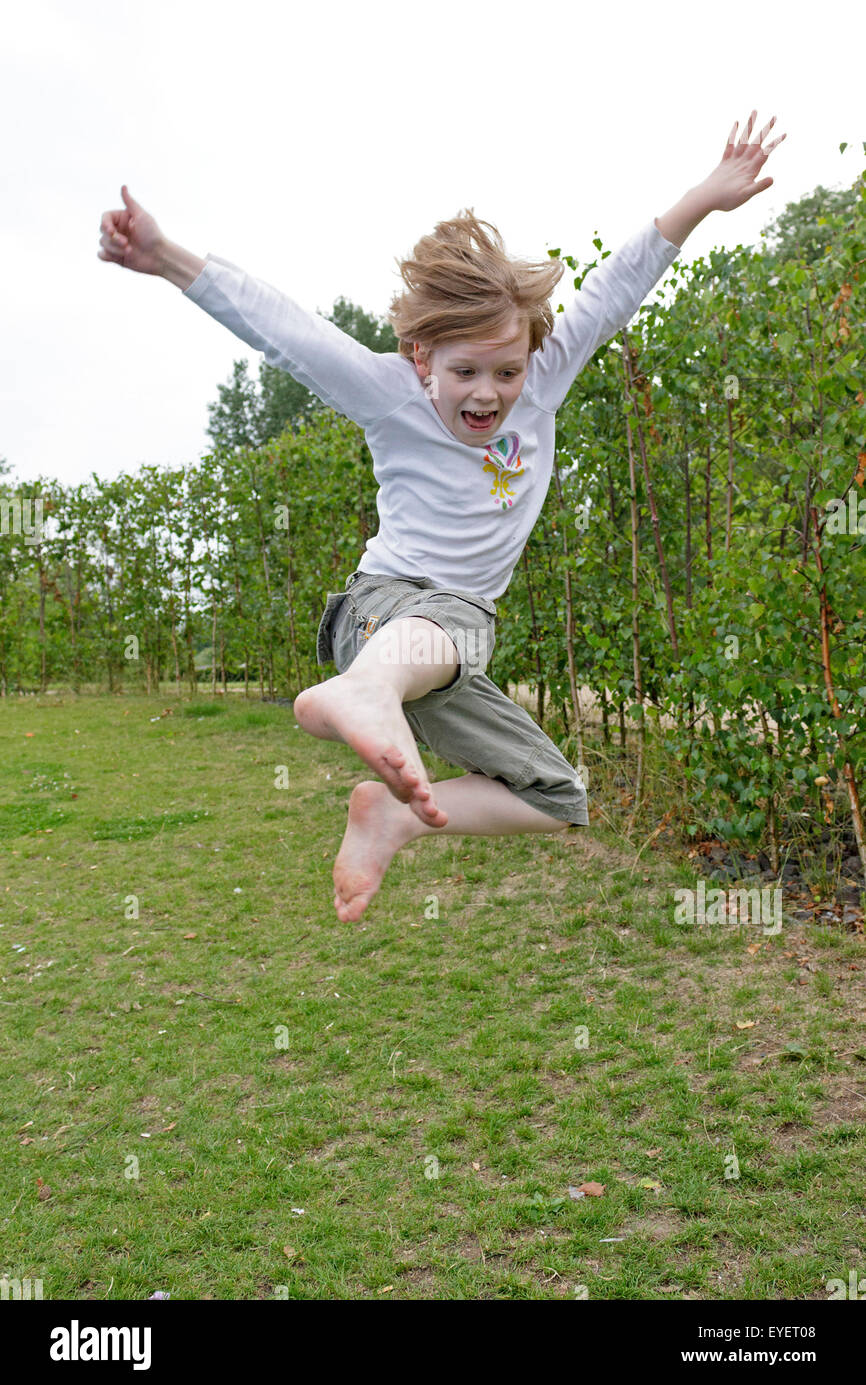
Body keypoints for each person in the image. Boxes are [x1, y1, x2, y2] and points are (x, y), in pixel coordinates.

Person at [98, 111, 785, 923]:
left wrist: (704, 197)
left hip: (452, 648)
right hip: (383, 610)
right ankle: (366, 689)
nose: (489, 393)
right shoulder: (390, 395)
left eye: (506, 369)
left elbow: (617, 286)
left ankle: (387, 814)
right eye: (465, 371)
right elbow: (286, 330)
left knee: (552, 794)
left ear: (533, 352)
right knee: (456, 620)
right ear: (422, 359)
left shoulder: (544, 379)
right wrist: (167, 258)